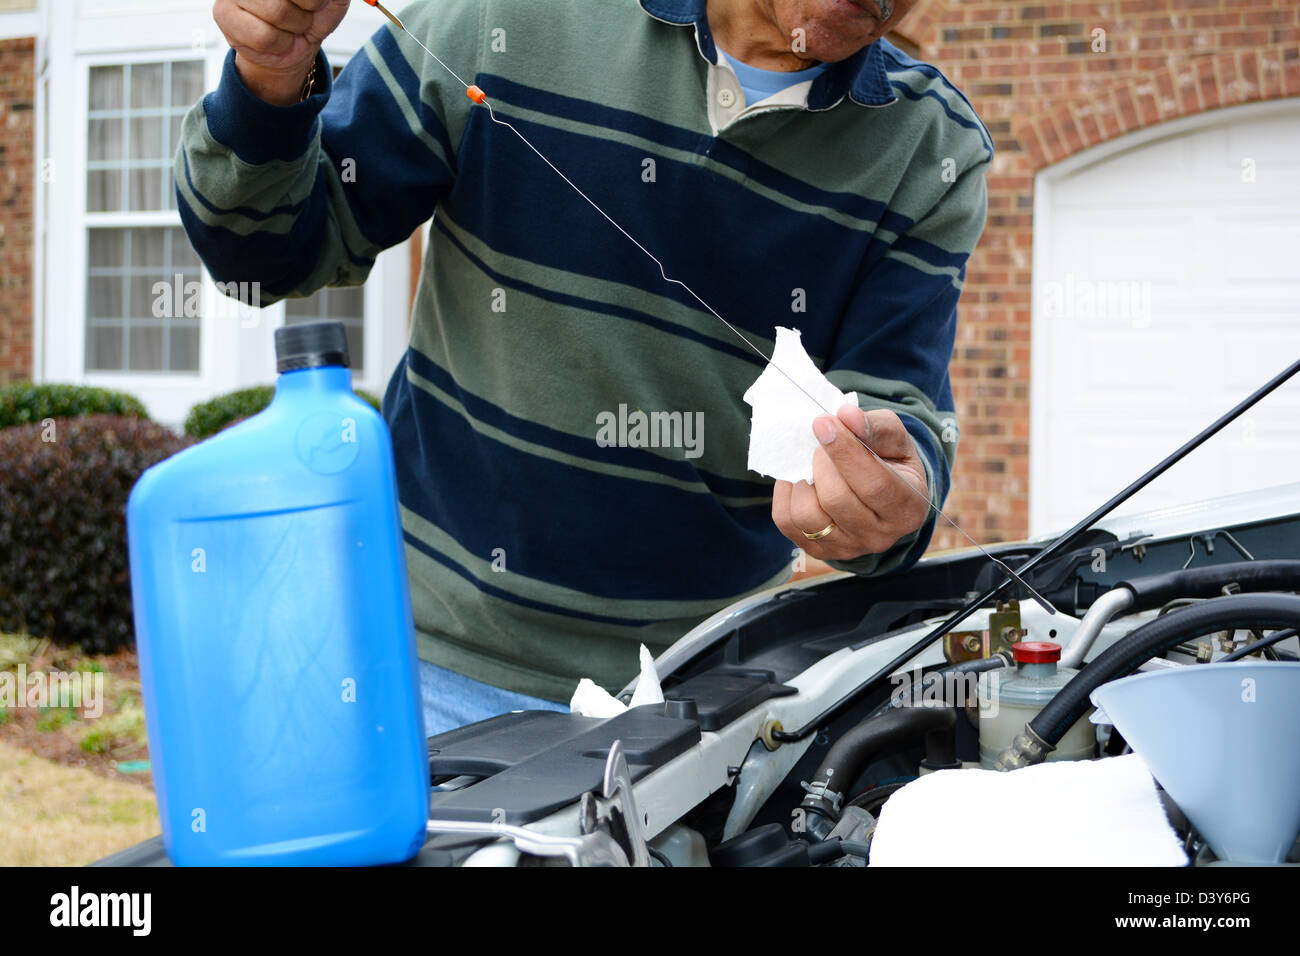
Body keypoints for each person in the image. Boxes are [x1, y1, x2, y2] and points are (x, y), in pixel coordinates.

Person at [182, 0, 991, 734]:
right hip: (416, 665)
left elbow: (899, 414)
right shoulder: (507, 14)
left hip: (699, 704)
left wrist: (891, 499)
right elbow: (267, 254)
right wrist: (268, 85)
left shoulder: (930, 149)